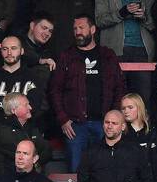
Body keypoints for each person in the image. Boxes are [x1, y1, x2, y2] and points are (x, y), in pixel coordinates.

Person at [51, 15, 127, 172]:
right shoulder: (67, 56)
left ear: (92, 30)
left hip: (104, 123)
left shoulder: (107, 55)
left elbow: (120, 87)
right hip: (75, 125)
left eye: (81, 28)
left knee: (106, 170)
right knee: (77, 172)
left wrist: (114, 115)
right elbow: (55, 90)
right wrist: (63, 119)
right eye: (75, 29)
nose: (77, 32)